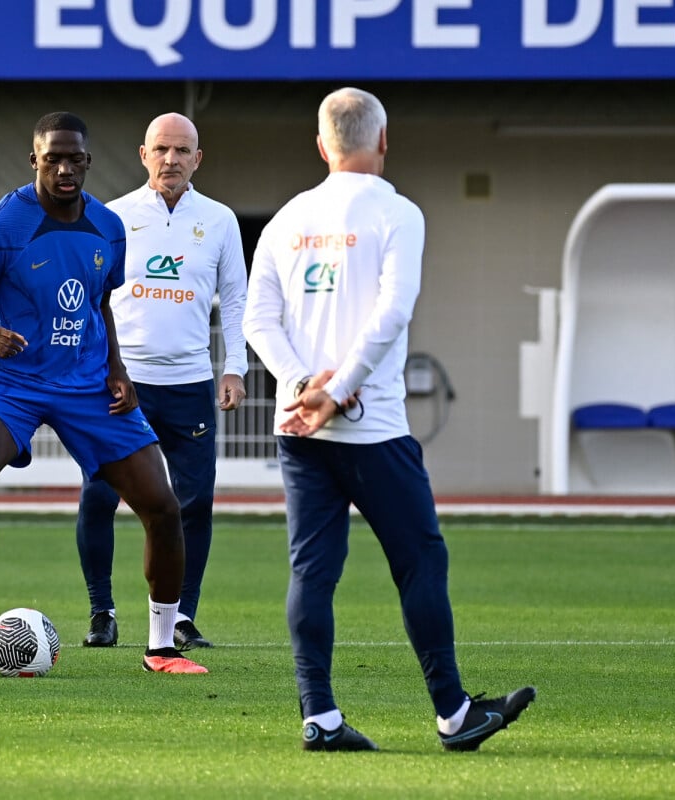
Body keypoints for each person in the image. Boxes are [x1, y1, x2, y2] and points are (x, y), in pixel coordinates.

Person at [242, 87, 535, 751]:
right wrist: (339, 389)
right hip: (370, 425)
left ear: (321, 146)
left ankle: (319, 718)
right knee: (420, 561)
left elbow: (258, 320)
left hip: (301, 428)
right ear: (383, 141)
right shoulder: (398, 212)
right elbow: (393, 311)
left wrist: (301, 384)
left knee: (312, 573)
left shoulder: (287, 217)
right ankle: (455, 715)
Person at [0, 111, 207, 675]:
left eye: (75, 159)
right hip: (13, 383)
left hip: (87, 384)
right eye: (54, 159)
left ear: (88, 163)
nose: (65, 169)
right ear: (35, 162)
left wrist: (118, 369)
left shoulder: (108, 227)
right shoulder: (1, 227)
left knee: (163, 506)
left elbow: (100, 302)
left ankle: (163, 648)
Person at [75, 112, 248, 651]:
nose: (170, 159)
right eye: (161, 149)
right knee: (99, 497)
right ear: (142, 154)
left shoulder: (219, 220)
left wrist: (235, 365)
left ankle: (180, 617)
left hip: (191, 382)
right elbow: (91, 297)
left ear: (198, 158)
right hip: (123, 384)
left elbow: (236, 300)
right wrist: (95, 367)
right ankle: (101, 612)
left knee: (193, 504)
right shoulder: (111, 217)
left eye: (182, 151)